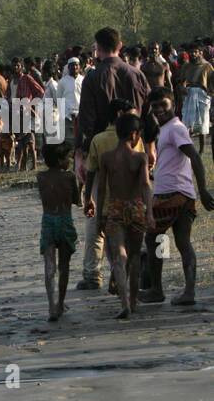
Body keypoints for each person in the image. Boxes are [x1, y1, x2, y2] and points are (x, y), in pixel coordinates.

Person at [76, 28, 151, 290]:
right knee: (134, 208)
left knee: (97, 212)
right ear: (120, 46)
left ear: (98, 48)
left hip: (102, 148)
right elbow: (150, 116)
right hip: (135, 147)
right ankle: (136, 262)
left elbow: (84, 121)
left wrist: (80, 156)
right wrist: (149, 147)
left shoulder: (93, 77)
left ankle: (92, 272)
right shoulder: (137, 74)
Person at [143, 89, 214, 305]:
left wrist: (203, 190)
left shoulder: (174, 129)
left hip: (171, 194)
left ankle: (157, 289)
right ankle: (187, 292)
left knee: (155, 237)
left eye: (163, 105)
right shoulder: (166, 129)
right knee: (176, 241)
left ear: (173, 103)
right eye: (155, 106)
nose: (159, 110)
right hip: (182, 193)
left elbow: (195, 157)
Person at [96, 114, 154, 319]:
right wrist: (150, 213)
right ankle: (133, 301)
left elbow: (101, 189)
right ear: (134, 134)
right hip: (137, 208)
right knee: (136, 256)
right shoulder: (140, 158)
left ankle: (124, 303)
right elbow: (146, 186)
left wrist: (99, 217)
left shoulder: (106, 158)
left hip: (115, 209)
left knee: (119, 257)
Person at [37, 145, 79, 322]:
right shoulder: (69, 177)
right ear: (60, 160)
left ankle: (50, 305)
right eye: (67, 158)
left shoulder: (41, 177)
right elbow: (77, 200)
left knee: (49, 265)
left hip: (48, 221)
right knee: (64, 266)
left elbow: (43, 197)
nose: (69, 161)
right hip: (65, 220)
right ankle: (61, 303)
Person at [179, 45, 212, 156]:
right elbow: (181, 81)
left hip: (202, 95)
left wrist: (210, 93)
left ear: (200, 53)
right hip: (189, 94)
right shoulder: (186, 66)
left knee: (203, 123)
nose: (193, 54)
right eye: (191, 52)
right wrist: (182, 88)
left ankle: (201, 150)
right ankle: (189, 149)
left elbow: (212, 81)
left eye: (195, 52)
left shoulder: (207, 66)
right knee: (187, 123)